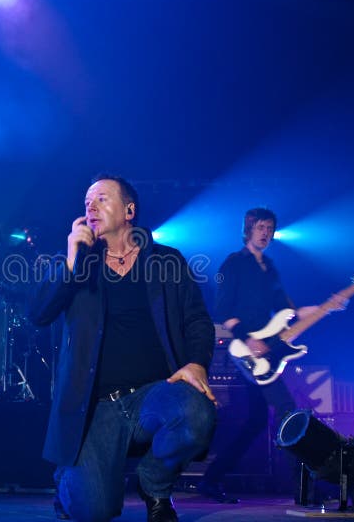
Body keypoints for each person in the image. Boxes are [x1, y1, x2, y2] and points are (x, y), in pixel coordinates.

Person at [28, 174, 218, 522]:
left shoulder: (166, 261)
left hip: (154, 395)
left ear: (129, 211)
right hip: (96, 407)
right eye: (87, 202)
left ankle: (154, 486)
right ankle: (67, 481)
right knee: (93, 511)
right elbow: (38, 313)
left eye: (101, 198)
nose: (91, 206)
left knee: (196, 413)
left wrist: (197, 363)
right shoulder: (76, 264)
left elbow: (197, 320)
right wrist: (70, 260)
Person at [197, 207, 343, 502]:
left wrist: (325, 307)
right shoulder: (233, 263)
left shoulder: (271, 267)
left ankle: (211, 479)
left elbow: (286, 309)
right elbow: (222, 310)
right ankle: (305, 490)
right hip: (246, 351)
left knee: (255, 421)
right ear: (248, 229)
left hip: (267, 353)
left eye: (269, 228)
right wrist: (248, 338)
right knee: (288, 410)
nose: (266, 232)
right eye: (260, 227)